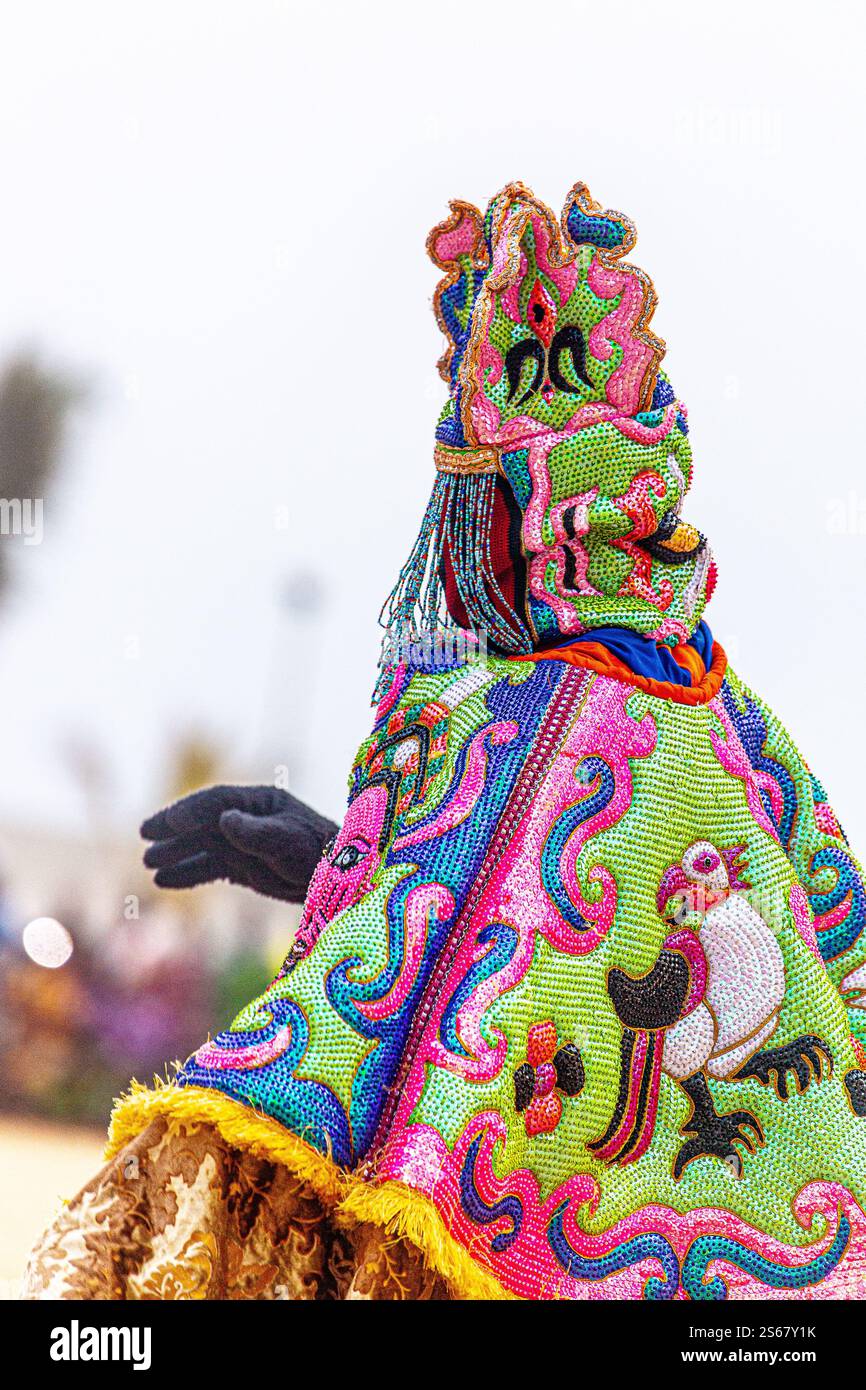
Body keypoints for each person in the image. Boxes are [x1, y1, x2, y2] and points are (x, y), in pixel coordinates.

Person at [24, 181, 866, 1301]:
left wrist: (341, 865)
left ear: (528, 514)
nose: (457, 561)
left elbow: (436, 983)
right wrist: (337, 853)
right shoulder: (739, 728)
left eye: (468, 511)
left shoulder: (522, 711)